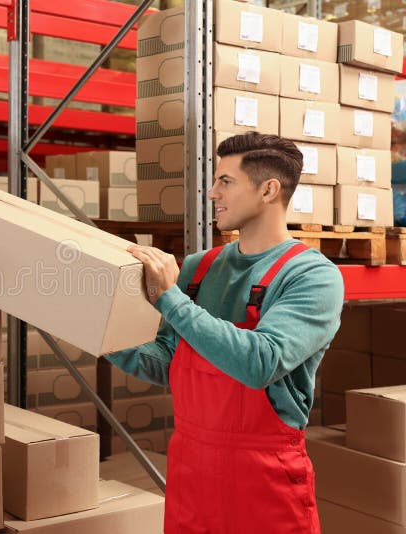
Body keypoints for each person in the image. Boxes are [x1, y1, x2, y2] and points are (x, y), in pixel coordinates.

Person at [107, 132, 344, 533]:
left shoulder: (313, 276)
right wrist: (102, 335)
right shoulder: (199, 268)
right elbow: (167, 363)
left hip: (263, 482)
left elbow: (260, 363)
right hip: (191, 475)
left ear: (269, 190)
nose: (212, 193)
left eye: (226, 182)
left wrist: (169, 298)